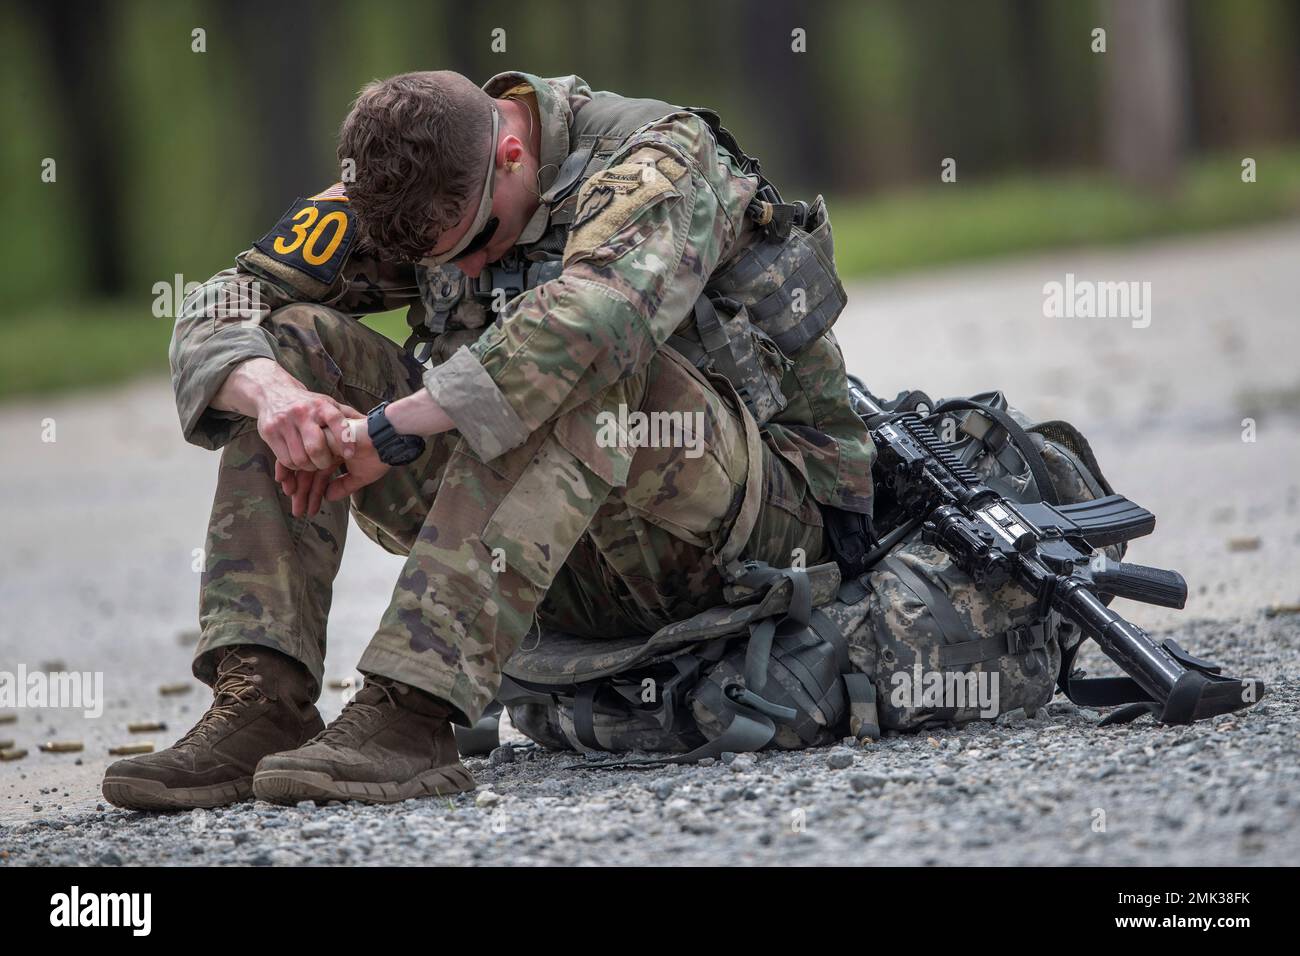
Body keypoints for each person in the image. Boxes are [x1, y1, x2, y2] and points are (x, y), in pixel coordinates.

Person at [101, 70, 874, 810]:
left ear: (513, 152)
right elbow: (224, 298)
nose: (469, 266)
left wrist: (391, 428)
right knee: (294, 343)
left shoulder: (654, 161)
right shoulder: (411, 185)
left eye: (480, 240)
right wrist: (276, 398)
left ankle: (411, 706)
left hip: (757, 528)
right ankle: (262, 701)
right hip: (570, 548)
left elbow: (596, 323)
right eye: (441, 263)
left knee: (580, 366)